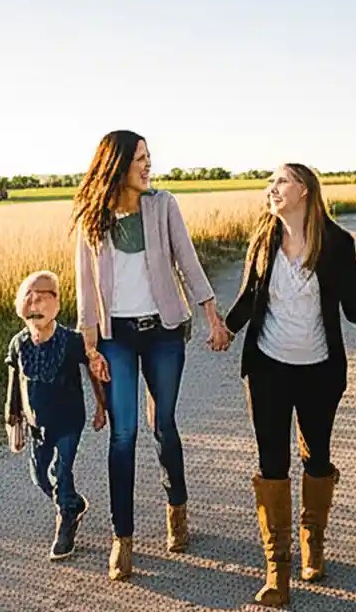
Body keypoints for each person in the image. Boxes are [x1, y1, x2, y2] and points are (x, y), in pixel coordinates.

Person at [71, 130, 232, 581]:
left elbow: (188, 261)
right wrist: (89, 346)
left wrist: (212, 315)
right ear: (116, 165)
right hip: (115, 338)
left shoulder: (163, 206)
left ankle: (176, 505)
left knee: (163, 425)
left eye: (148, 156)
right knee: (123, 435)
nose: (148, 164)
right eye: (140, 158)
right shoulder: (90, 218)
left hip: (163, 332)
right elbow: (86, 290)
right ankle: (122, 539)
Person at [221, 163, 356, 607]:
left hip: (319, 371)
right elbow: (250, 297)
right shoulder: (264, 239)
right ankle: (276, 569)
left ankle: (314, 543)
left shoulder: (337, 243)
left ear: (304, 190)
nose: (272, 189)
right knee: (271, 462)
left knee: (316, 457)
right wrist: (225, 329)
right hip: (267, 369)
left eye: (280, 181)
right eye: (270, 184)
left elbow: (355, 308)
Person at [5, 270, 109, 560]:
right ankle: (72, 502)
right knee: (39, 474)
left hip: (68, 421)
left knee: (62, 471)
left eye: (43, 296)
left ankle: (65, 523)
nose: (35, 302)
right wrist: (13, 421)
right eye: (29, 296)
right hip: (38, 425)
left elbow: (92, 371)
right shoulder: (18, 344)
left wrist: (102, 407)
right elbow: (15, 384)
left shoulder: (71, 341)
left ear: (57, 304)